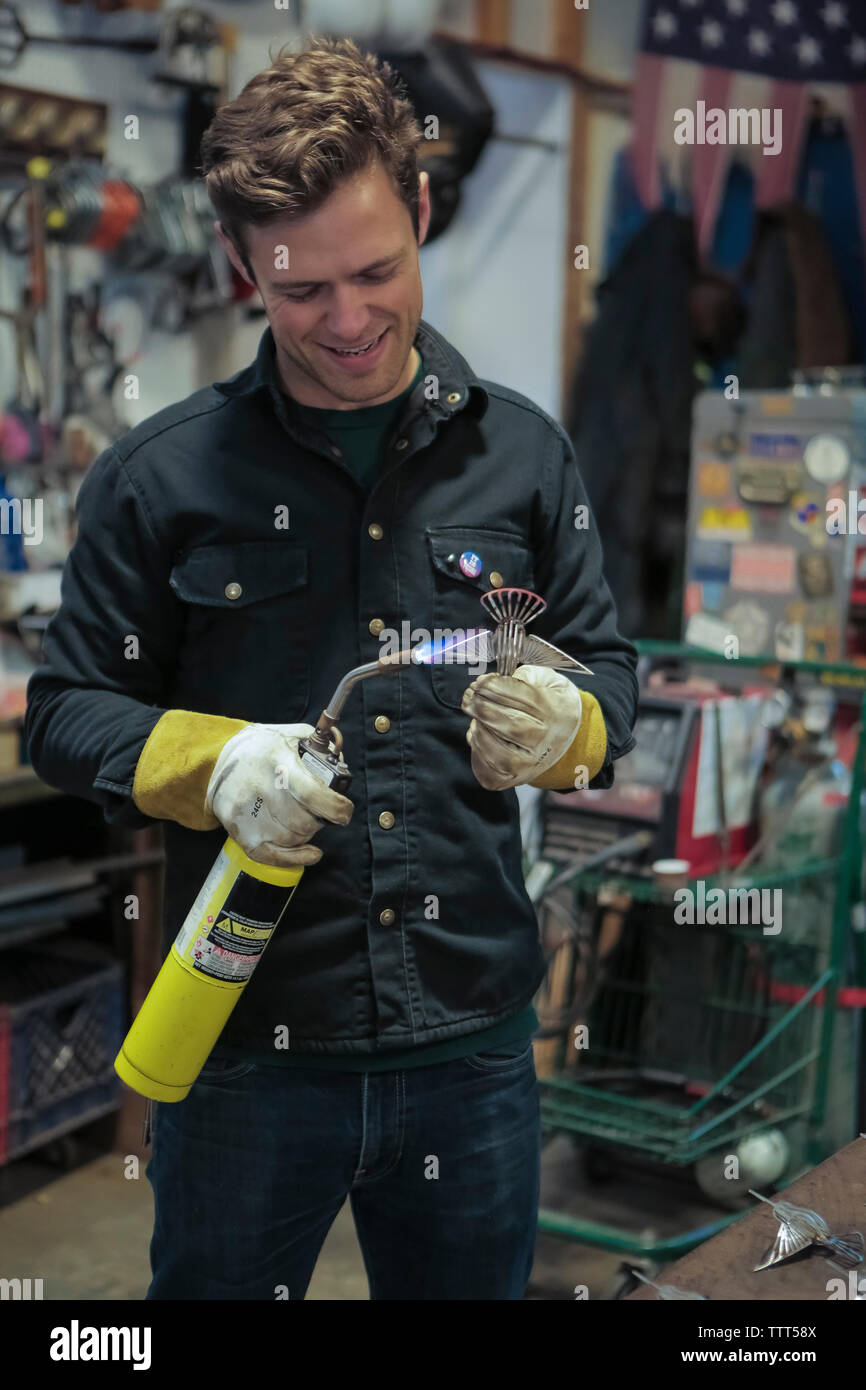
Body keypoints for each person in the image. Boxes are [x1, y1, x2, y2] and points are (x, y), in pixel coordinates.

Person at [25, 36, 637, 1301]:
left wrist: (569, 724)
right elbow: (64, 715)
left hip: (469, 1044)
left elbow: (611, 673)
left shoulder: (524, 458)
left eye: (377, 271)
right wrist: (216, 760)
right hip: (249, 1042)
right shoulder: (160, 478)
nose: (349, 322)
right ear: (243, 266)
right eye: (301, 291)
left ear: (419, 210)